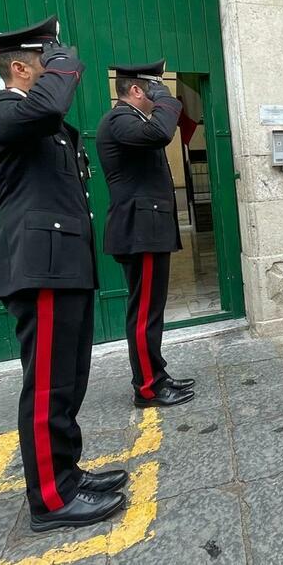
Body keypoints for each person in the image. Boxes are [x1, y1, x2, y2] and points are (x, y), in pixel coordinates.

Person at [0, 16, 126, 532]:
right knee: (45, 388)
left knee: (66, 382)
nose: (64, 72)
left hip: (65, 267)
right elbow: (48, 105)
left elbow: (51, 115)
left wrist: (55, 63)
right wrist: (62, 62)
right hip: (39, 268)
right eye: (48, 64)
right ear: (21, 68)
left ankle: (66, 473)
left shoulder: (41, 121)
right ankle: (50, 500)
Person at [96, 60, 196, 408]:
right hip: (139, 230)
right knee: (143, 313)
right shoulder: (120, 119)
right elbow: (160, 134)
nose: (159, 97)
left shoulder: (133, 120)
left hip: (147, 228)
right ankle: (148, 387)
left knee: (150, 310)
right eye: (153, 88)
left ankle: (157, 372)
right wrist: (169, 98)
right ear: (137, 90)